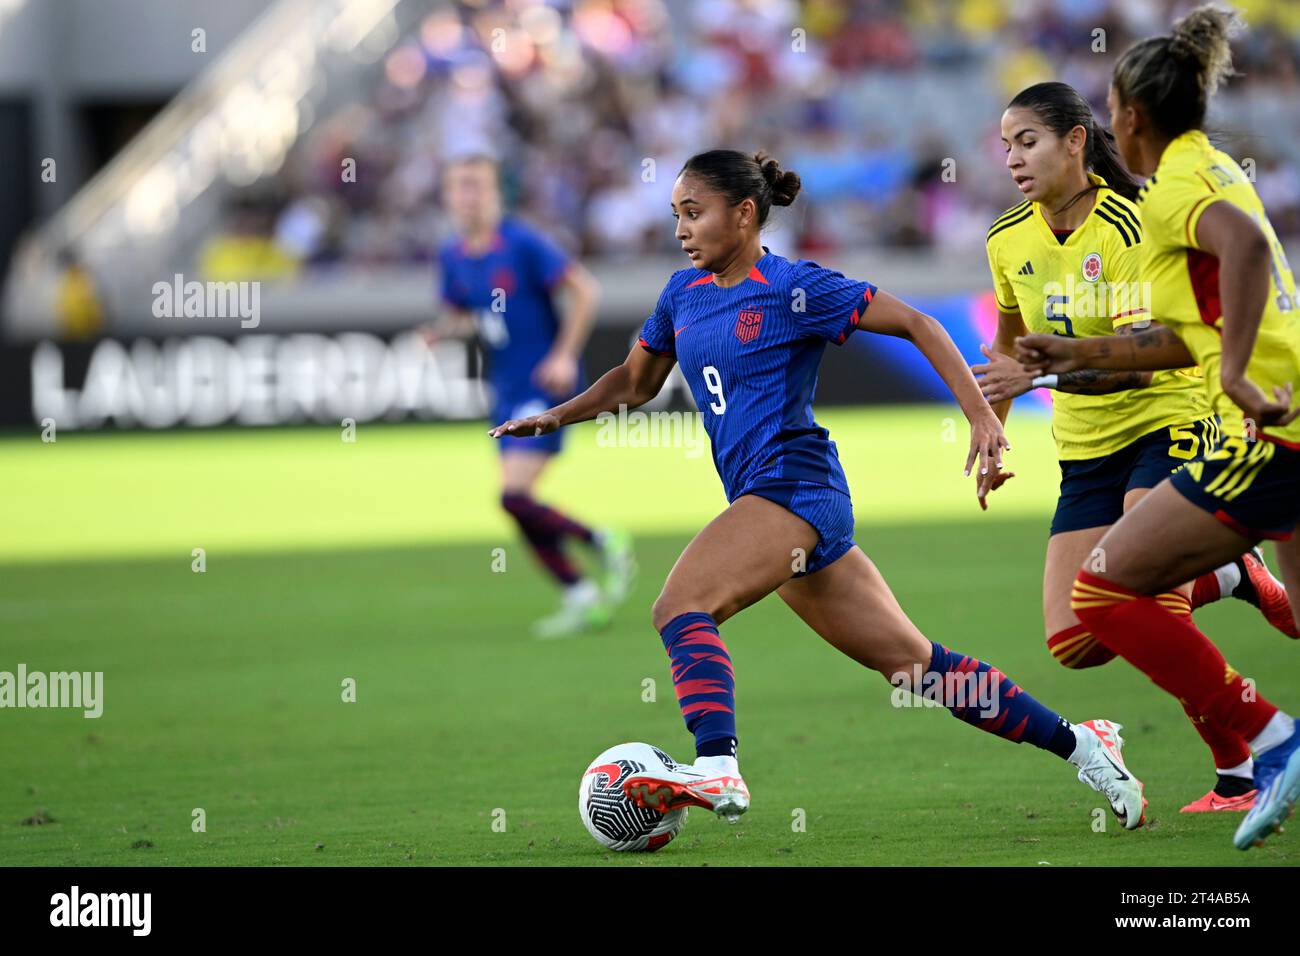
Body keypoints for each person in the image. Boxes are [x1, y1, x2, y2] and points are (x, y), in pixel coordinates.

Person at [491, 148, 1147, 831]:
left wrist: (983, 416)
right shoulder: (681, 294)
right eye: (675, 214)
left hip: (795, 488)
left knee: (680, 606)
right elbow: (634, 382)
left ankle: (716, 765)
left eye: (693, 212)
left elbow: (919, 324)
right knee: (916, 667)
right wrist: (556, 415)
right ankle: (1084, 745)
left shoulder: (793, 288)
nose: (680, 229)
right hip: (774, 503)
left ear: (744, 214)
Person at [1014, 6, 1300, 850]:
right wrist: (1077, 353)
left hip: (1264, 429)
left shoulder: (1169, 190)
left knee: (1104, 592)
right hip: (1284, 413)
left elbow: (1246, 250)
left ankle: (1271, 742)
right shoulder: (1211, 163)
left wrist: (1237, 373)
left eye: (1111, 109)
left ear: (1130, 117)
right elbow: (1187, 331)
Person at [428, 154, 635, 638]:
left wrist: (563, 355)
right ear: (447, 196)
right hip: (506, 388)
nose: (468, 196)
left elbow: (584, 290)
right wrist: (439, 332)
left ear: (496, 192)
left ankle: (602, 541)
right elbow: (465, 315)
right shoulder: (453, 255)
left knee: (513, 495)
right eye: (460, 186)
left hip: (544, 386)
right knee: (517, 503)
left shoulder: (522, 243)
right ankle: (580, 594)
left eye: (477, 185)